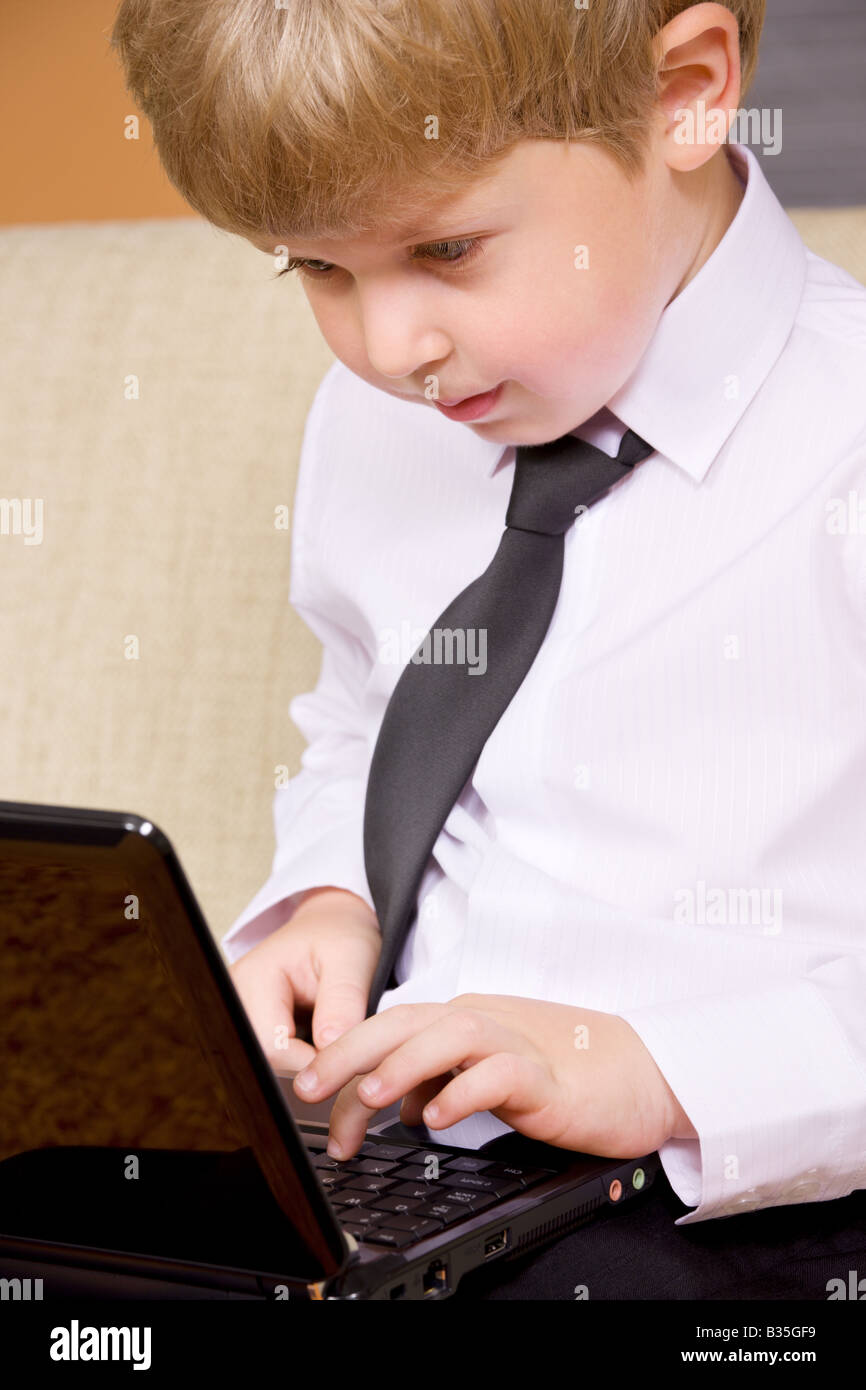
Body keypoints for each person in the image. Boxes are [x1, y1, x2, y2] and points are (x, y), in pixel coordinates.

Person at [110, 0, 866, 1298]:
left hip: (738, 1207)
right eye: (318, 271)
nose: (390, 347)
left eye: (445, 247)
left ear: (684, 90)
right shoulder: (384, 416)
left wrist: (659, 1075)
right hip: (413, 1164)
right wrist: (328, 895)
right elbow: (366, 711)